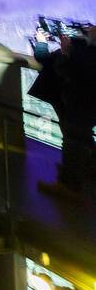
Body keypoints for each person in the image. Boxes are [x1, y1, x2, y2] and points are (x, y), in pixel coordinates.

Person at [32, 25, 96, 201]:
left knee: (72, 140)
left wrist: (45, 45)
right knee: (82, 137)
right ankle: (88, 169)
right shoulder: (87, 50)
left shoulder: (83, 54)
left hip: (76, 104)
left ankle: (69, 185)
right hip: (85, 107)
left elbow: (50, 62)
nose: (88, 29)